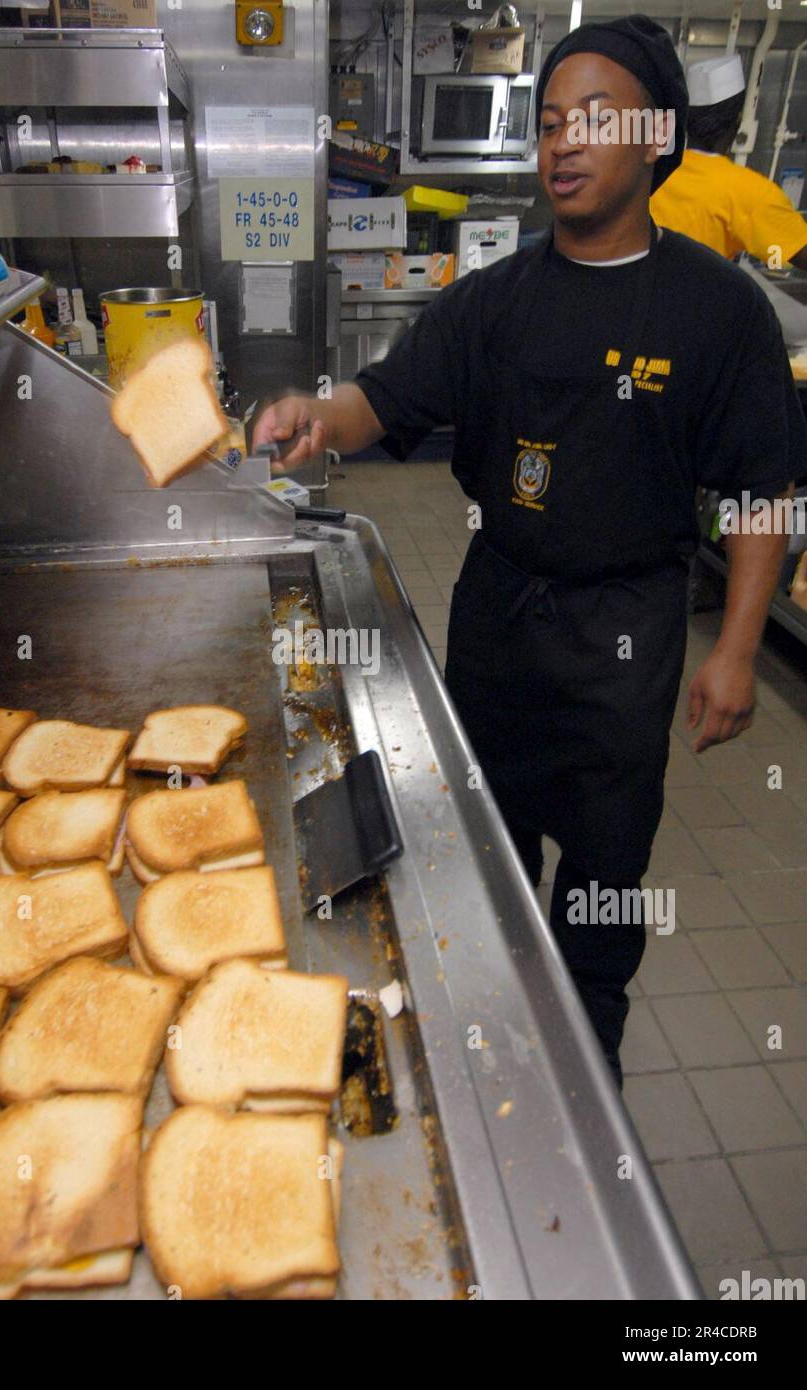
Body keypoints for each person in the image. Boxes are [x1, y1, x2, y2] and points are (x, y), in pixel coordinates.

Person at [254, 16, 806, 1087]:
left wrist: (735, 647)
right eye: (549, 122)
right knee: (482, 860)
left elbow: (759, 492)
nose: (561, 143)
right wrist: (317, 413)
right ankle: (488, 1071)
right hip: (499, 615)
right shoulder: (494, 299)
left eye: (592, 120)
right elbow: (384, 398)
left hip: (627, 633)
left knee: (597, 891)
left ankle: (582, 1081)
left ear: (655, 136)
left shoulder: (713, 310)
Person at [651, 54, 807, 269]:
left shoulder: (651, 168)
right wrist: (771, 256)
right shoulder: (748, 191)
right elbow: (792, 255)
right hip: (701, 298)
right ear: (738, 120)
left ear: (685, 119)